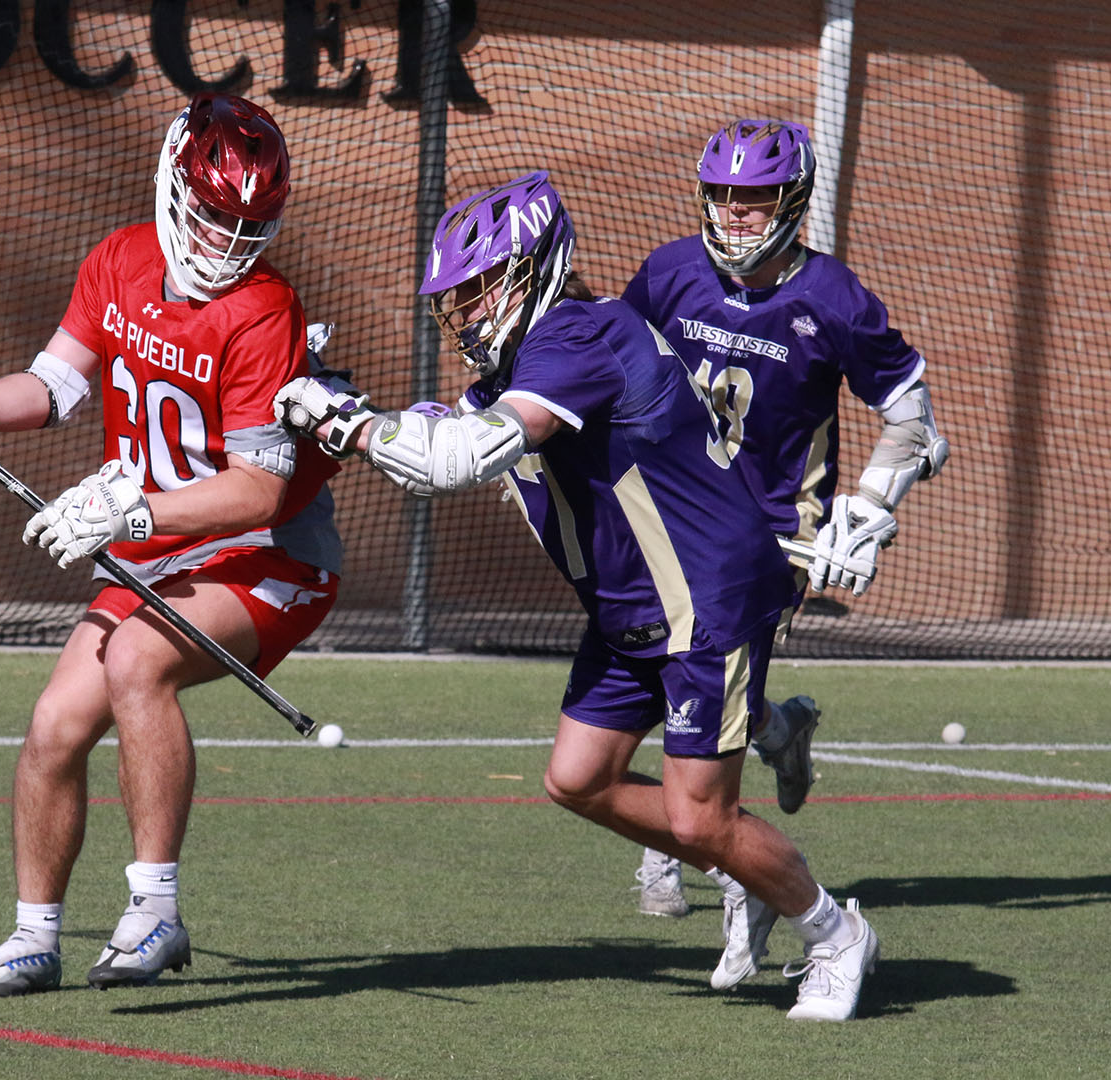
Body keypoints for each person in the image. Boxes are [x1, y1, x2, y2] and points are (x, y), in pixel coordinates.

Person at [275, 171, 879, 1021]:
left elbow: (453, 460)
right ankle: (750, 862)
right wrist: (338, 397)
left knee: (700, 821)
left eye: (483, 288)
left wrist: (347, 421)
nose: (470, 311)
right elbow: (442, 433)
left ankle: (835, 933)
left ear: (533, 270)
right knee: (578, 779)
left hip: (707, 598)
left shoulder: (578, 334)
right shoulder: (528, 361)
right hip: (635, 604)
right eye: (461, 296)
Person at [0, 92, 343, 996]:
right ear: (171, 184)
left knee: (135, 660)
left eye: (248, 224)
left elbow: (256, 490)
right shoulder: (121, 259)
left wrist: (128, 515)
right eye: (210, 216)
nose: (224, 243)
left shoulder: (263, 310)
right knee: (53, 726)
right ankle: (34, 936)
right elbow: (53, 384)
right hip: (154, 545)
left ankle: (155, 912)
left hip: (271, 554)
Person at [617, 120, 948, 970]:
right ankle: (774, 738)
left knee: (687, 660)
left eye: (753, 197)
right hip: (668, 508)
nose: (733, 214)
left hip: (770, 531)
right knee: (672, 663)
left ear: (792, 203)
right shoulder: (668, 271)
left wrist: (868, 508)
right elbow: (604, 359)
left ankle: (719, 862)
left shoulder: (832, 297)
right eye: (722, 195)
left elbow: (914, 421)